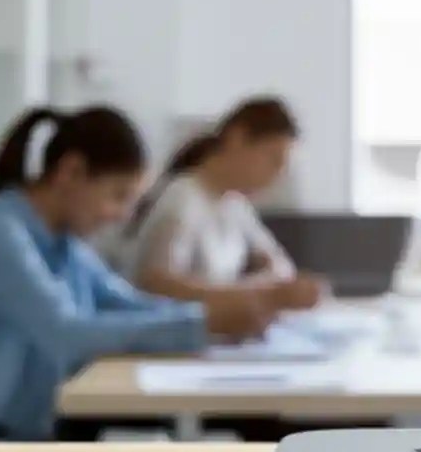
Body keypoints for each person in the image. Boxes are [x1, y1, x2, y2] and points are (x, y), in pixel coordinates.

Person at [0, 106, 272, 441]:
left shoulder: (64, 243)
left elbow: (126, 303)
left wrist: (212, 319)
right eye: (118, 196)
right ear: (71, 172)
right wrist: (200, 323)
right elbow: (67, 332)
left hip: (23, 435)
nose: (122, 215)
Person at [121, 97, 323, 312]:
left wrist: (280, 290)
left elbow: (280, 268)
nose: (277, 176)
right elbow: (156, 284)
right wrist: (248, 296)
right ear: (237, 138)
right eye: (273, 160)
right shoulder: (180, 201)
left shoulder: (235, 204)